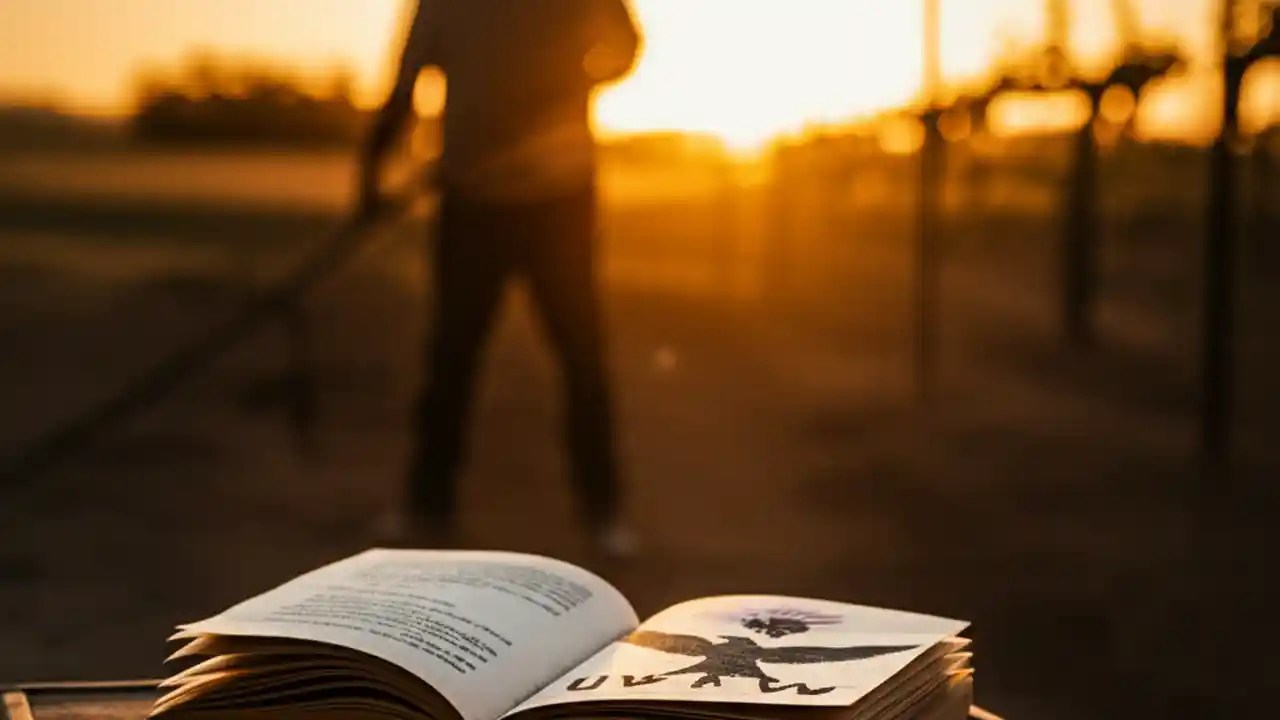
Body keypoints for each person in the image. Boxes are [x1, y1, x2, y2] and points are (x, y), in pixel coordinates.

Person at [358, 0, 641, 555]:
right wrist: (370, 176)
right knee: (452, 358)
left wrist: (578, 75)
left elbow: (627, 46)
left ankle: (603, 512)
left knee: (580, 356)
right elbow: (405, 83)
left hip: (560, 202)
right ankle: (427, 507)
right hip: (471, 202)